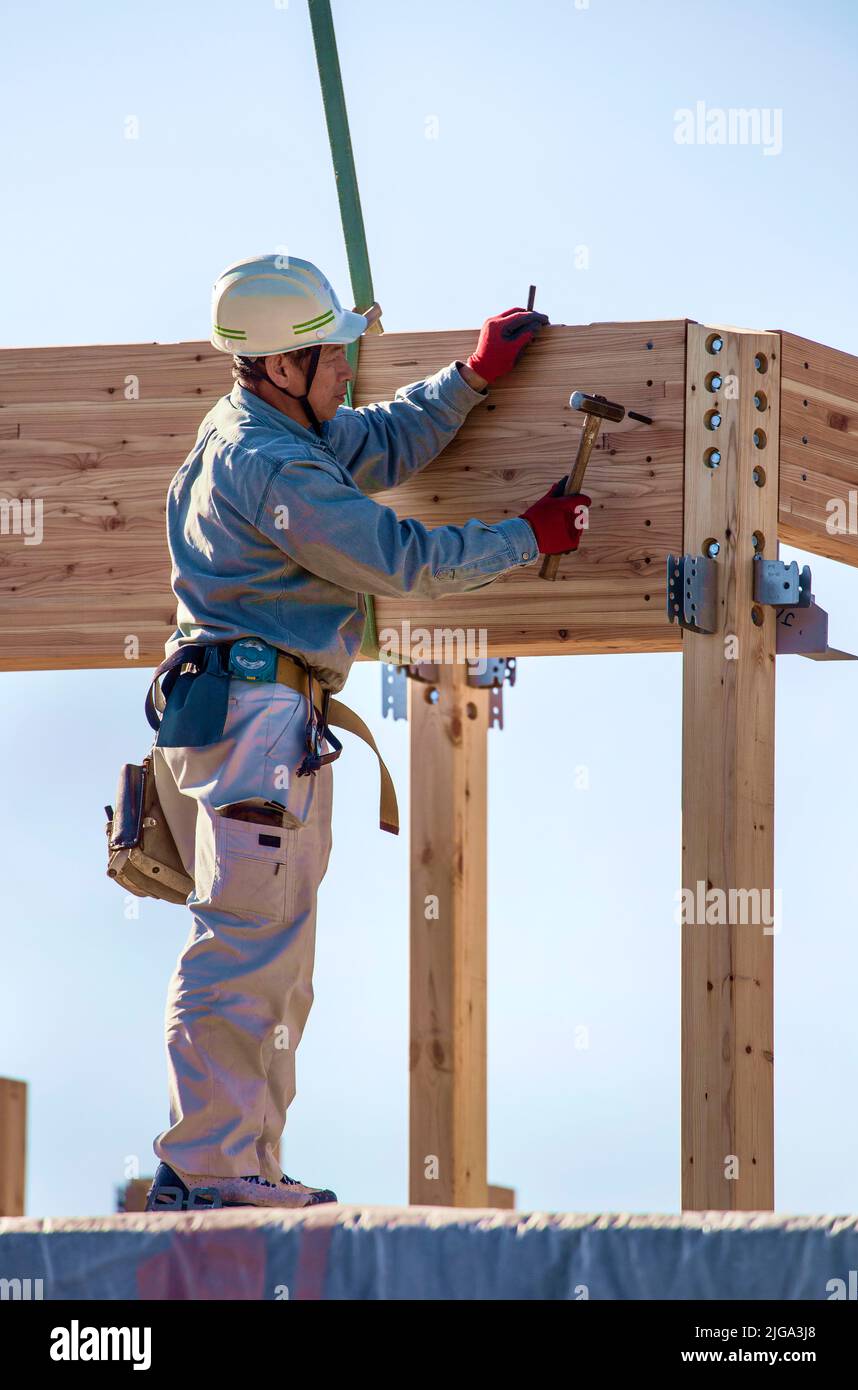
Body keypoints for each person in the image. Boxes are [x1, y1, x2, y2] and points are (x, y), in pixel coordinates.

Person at [145, 254, 590, 1210]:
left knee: (272, 961)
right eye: (333, 351)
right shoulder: (267, 462)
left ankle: (239, 1165)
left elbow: (377, 444)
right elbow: (398, 557)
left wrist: (469, 381)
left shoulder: (270, 429)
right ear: (277, 364)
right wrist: (530, 534)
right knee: (246, 949)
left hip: (256, 717)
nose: (350, 364)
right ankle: (213, 1171)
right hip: (258, 723)